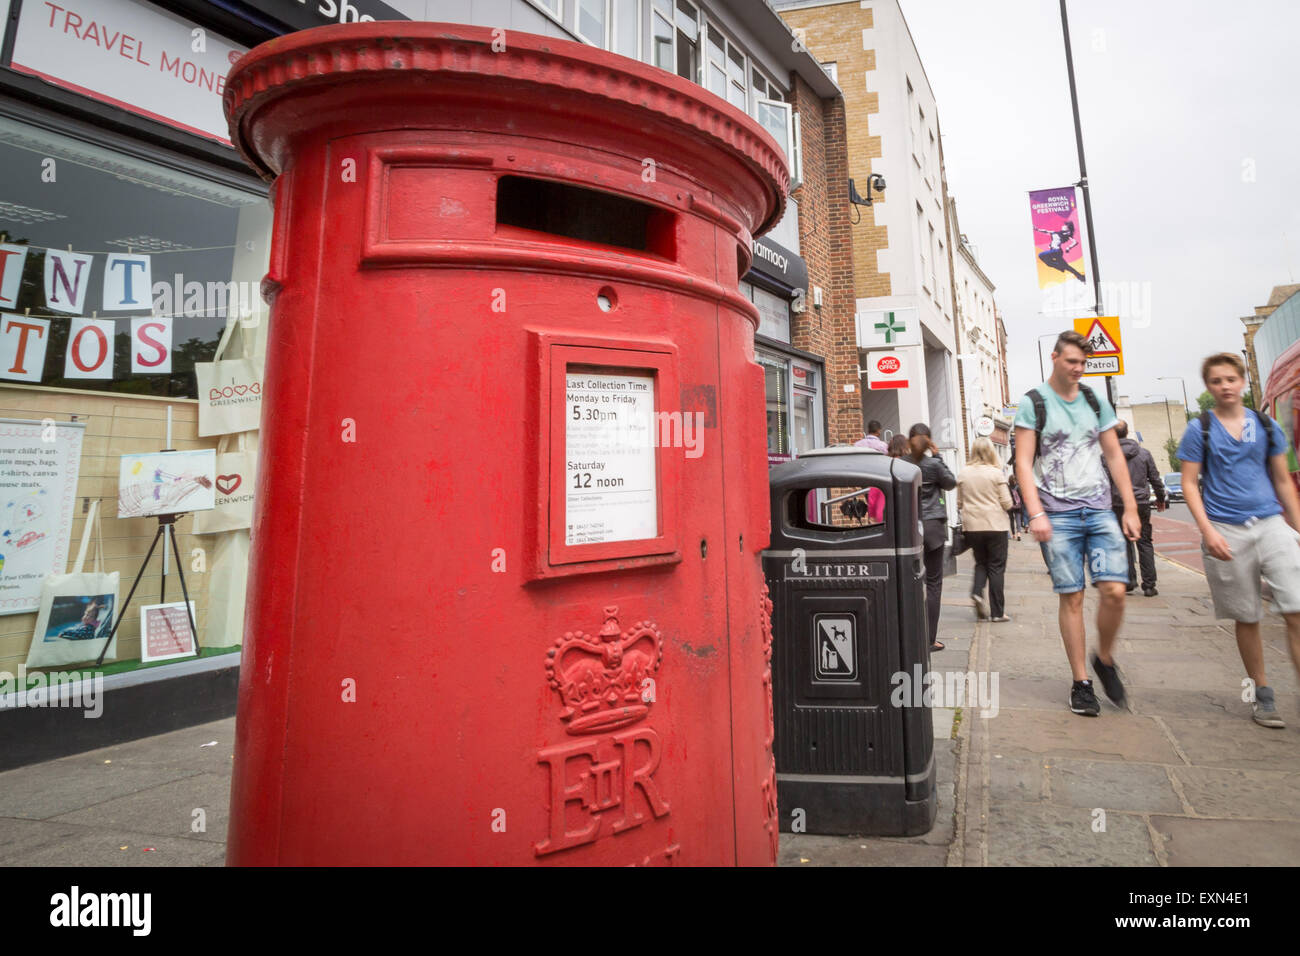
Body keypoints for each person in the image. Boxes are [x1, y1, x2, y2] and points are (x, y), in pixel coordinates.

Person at [1013, 330, 1140, 717]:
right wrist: (1035, 513)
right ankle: (1082, 682)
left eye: (1083, 363)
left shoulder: (1092, 399)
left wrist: (1130, 507)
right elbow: (1022, 462)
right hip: (1057, 513)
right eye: (1071, 361)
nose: (1078, 369)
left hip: (1100, 510)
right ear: (1054, 358)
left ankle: (1104, 657)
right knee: (1073, 596)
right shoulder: (1033, 402)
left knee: (1115, 591)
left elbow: (1115, 455)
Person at [1178, 352, 1300, 728]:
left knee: (1296, 608)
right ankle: (1263, 695)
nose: (1225, 386)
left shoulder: (1264, 425)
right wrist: (1208, 531)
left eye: (1231, 379)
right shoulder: (1199, 429)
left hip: (1270, 523)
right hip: (1226, 529)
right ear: (1209, 386)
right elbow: (1189, 484)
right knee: (1248, 616)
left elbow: (1282, 480)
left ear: (1242, 382)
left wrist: (1296, 526)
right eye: (1216, 381)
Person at [908, 423, 957, 652]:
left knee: (910, 582)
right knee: (934, 583)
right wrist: (938, 456)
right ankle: (929, 640)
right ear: (929, 441)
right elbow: (950, 483)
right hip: (934, 529)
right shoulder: (934, 465)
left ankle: (909, 636)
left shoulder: (901, 465)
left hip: (909, 527)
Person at [957, 437, 1014, 623]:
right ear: (991, 452)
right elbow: (1007, 503)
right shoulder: (996, 474)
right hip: (995, 525)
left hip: (972, 526)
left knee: (981, 563)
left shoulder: (964, 474)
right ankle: (998, 613)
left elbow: (959, 502)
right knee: (996, 567)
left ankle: (976, 592)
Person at [1107, 420, 1166, 596]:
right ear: (1127, 433)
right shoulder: (1144, 454)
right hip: (1140, 503)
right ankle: (1149, 585)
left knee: (1122, 542)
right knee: (1145, 542)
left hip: (1117, 504)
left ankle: (1129, 581)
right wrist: (1160, 498)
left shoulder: (1107, 456)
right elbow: (1155, 479)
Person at [1007, 473, 1024, 539]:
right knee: (1018, 520)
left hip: (1010, 506)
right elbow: (1021, 496)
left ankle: (1013, 534)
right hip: (1018, 506)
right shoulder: (1018, 487)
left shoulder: (1007, 487)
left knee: (1011, 520)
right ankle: (1019, 534)